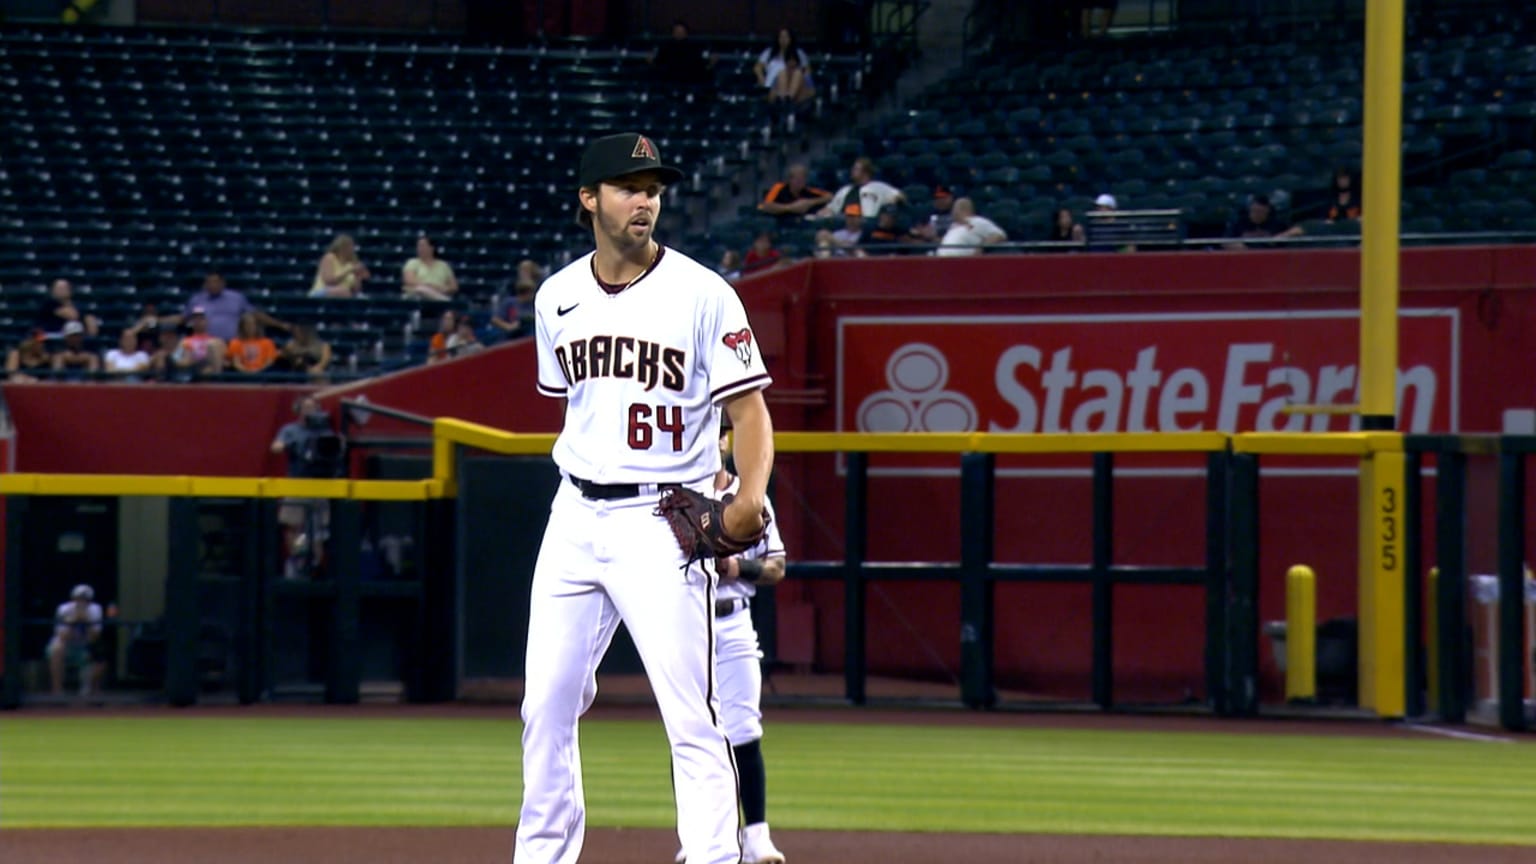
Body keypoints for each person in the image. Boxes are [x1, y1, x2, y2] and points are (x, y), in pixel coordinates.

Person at [519, 132, 774, 864]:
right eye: (629, 185)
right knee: (545, 708)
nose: (646, 199)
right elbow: (575, 405)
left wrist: (748, 497)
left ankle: (714, 858)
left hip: (661, 516)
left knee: (691, 715)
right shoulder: (556, 296)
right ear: (588, 199)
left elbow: (750, 411)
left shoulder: (702, 292)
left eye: (654, 186)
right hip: (573, 512)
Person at [672, 420, 788, 864]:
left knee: (744, 730)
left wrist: (737, 569)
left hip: (734, 622)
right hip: (687, 621)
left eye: (723, 431)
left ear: (727, 441)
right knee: (687, 730)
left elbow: (777, 566)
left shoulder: (750, 498)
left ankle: (756, 838)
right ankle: (695, 838)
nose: (717, 440)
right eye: (711, 430)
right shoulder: (675, 500)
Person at [161, 273, 289, 343]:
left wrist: (280, 324)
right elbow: (182, 318)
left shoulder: (236, 298)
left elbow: (255, 314)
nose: (212, 285)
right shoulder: (197, 299)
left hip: (232, 342)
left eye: (215, 282)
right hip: (205, 344)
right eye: (209, 282)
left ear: (223, 283)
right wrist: (158, 321)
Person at [47, 584, 108, 697]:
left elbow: (95, 637)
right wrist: (74, 620)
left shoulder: (95, 609)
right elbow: (62, 636)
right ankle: (57, 691)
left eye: (85, 599)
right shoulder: (63, 609)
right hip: (66, 644)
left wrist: (86, 620)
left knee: (99, 654)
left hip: (84, 645)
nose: (82, 602)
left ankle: (91, 691)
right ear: (73, 599)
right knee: (57, 649)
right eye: (79, 599)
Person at [822, 157, 905, 218]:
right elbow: (831, 208)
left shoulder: (878, 186)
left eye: (856, 169)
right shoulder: (845, 190)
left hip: (865, 222)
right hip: (844, 222)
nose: (852, 171)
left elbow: (900, 195)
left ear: (865, 172)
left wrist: (891, 202)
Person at [754, 28, 814, 103]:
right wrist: (761, 79)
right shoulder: (769, 52)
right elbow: (758, 67)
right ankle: (783, 100)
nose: (783, 39)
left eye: (786, 37)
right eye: (781, 37)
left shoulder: (799, 53)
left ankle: (788, 98)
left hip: (796, 85)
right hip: (774, 84)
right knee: (782, 74)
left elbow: (807, 71)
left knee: (797, 74)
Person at [756, 164, 832, 222]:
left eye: (802, 179)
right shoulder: (778, 187)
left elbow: (829, 196)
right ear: (790, 179)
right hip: (779, 222)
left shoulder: (808, 190)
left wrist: (809, 202)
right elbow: (766, 206)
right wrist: (791, 207)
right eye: (797, 180)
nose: (800, 183)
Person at [650, 19, 714, 88]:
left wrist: (711, 63)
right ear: (672, 33)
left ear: (686, 33)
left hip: (691, 81)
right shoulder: (665, 47)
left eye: (681, 32)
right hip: (669, 81)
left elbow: (703, 64)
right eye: (677, 31)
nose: (679, 34)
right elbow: (657, 63)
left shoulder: (695, 47)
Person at [936, 197, 1008, 256]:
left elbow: (999, 235)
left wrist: (980, 249)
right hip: (941, 262)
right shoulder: (953, 226)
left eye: (957, 208)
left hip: (963, 263)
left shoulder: (976, 221)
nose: (954, 212)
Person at [401, 235, 460, 301]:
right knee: (421, 289)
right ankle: (443, 300)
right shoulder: (412, 263)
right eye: (418, 246)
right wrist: (432, 287)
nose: (419, 248)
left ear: (431, 248)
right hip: (417, 296)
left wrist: (442, 289)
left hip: (440, 293)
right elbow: (409, 281)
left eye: (422, 246)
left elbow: (454, 287)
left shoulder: (444, 265)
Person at [35, 279, 101, 337]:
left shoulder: (79, 306)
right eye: (58, 288)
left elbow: (89, 321)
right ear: (52, 291)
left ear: (70, 290)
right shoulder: (48, 305)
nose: (61, 291)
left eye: (63, 288)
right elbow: (72, 315)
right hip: (52, 337)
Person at [172, 307, 227, 376]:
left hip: (210, 368)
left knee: (213, 345)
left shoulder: (217, 341)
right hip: (192, 368)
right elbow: (175, 359)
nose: (198, 321)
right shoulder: (185, 341)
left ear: (207, 321)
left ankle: (216, 379)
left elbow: (226, 361)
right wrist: (190, 361)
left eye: (201, 319)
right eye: (195, 319)